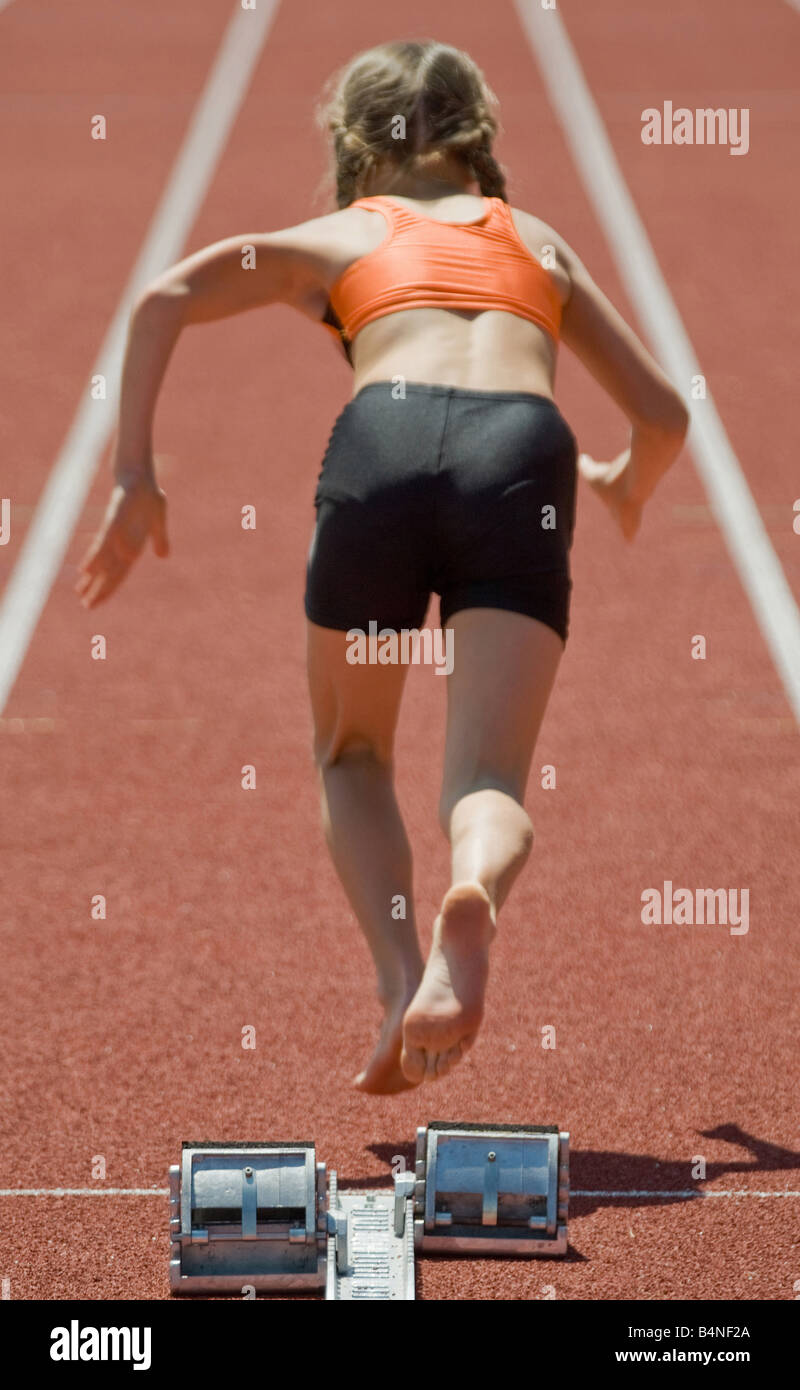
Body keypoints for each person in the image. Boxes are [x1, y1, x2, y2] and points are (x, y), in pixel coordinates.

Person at [76, 40, 689, 1094]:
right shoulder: (534, 239)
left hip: (382, 450)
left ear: (354, 141)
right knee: (486, 779)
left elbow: (162, 297)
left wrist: (135, 473)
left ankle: (402, 970)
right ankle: (473, 893)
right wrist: (628, 482)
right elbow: (664, 414)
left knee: (350, 750)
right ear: (477, 135)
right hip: (521, 454)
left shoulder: (347, 233)